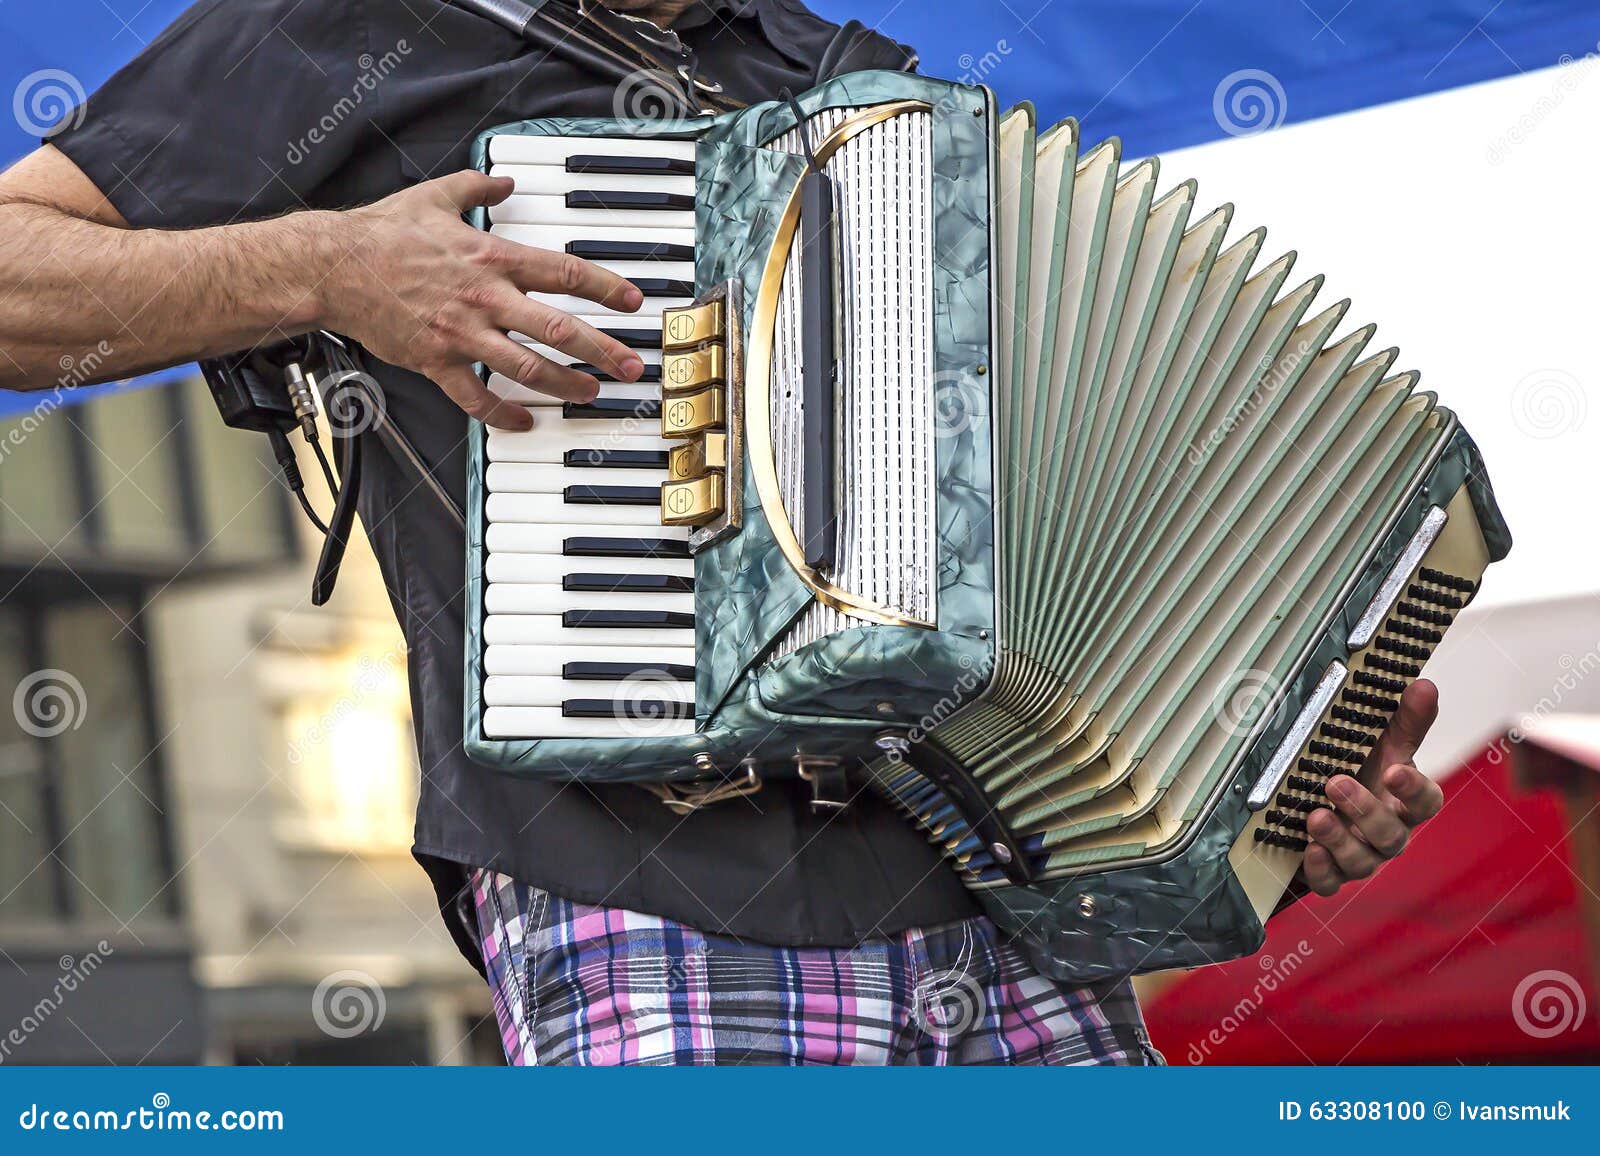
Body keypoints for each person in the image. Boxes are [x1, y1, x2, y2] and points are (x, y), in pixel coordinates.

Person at [0, 0, 1446, 1065]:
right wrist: (331, 268)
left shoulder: (850, 84)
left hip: (988, 892)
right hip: (643, 878)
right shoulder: (343, 34)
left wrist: (1269, 790)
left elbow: (1052, 541)